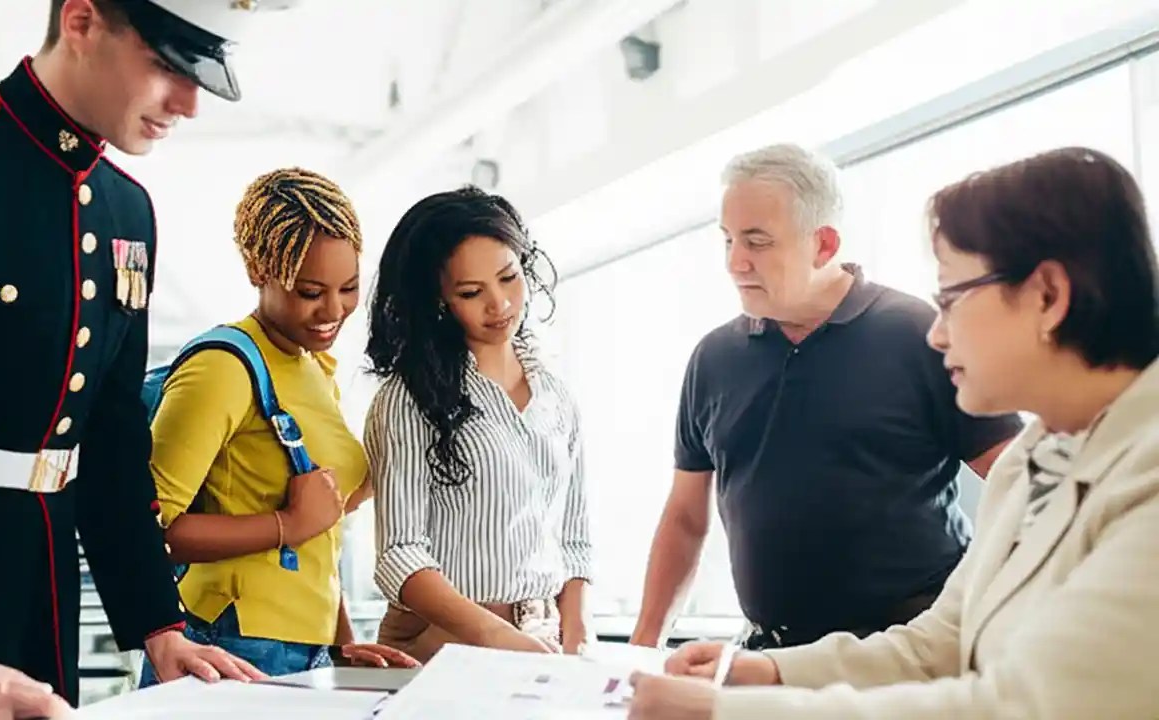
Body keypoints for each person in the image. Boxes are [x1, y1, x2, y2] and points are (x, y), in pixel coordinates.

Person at [628, 146, 1159, 719]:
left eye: (952, 298)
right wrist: (765, 670)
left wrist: (724, 714)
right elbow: (937, 644)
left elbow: (1025, 707)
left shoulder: (1145, 479)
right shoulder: (1032, 462)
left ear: (1047, 297)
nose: (937, 333)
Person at [0, 1, 300, 717]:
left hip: (38, 596)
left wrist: (158, 625)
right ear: (80, 22)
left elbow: (109, 440)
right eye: (169, 66)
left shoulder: (125, 211)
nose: (191, 104)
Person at [630, 143, 1023, 652]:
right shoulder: (713, 359)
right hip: (772, 656)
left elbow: (1018, 476)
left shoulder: (920, 334)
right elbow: (685, 518)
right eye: (727, 239)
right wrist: (643, 647)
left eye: (757, 241)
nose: (734, 261)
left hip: (907, 655)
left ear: (824, 244)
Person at [140, 167, 416, 684]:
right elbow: (148, 531)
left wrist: (342, 644)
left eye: (349, 287)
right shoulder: (223, 367)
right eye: (311, 291)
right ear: (259, 272)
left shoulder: (315, 368)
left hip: (303, 651)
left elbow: (322, 534)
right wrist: (286, 525)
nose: (333, 310)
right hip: (226, 645)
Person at [363, 187, 593, 662]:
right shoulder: (407, 399)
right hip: (440, 641)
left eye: (509, 278)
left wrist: (579, 639)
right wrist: (499, 638)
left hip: (541, 638)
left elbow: (574, 542)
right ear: (439, 299)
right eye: (471, 292)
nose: (499, 304)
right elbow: (399, 553)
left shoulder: (557, 397)